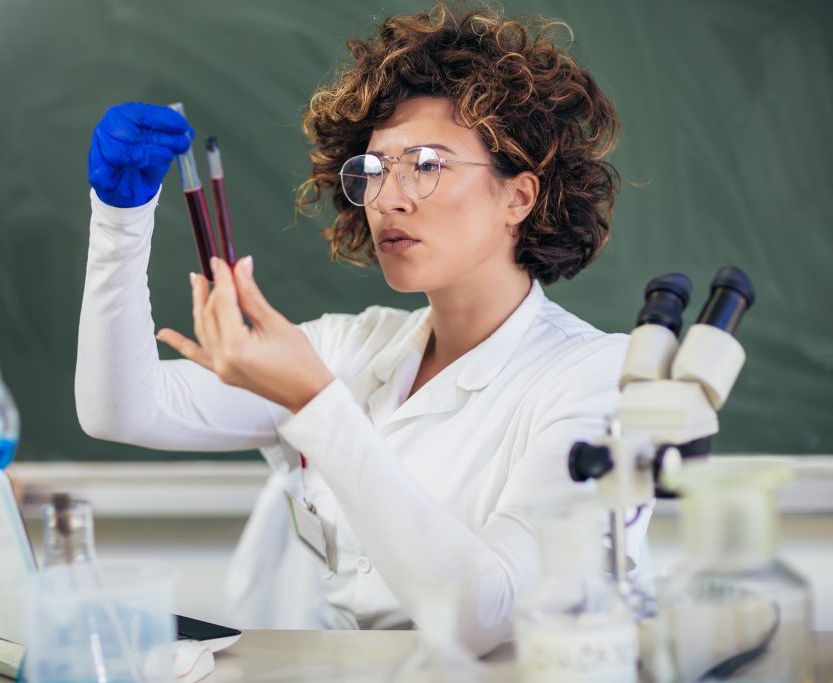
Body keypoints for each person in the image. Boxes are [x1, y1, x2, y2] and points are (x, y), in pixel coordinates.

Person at [76, 3, 649, 656]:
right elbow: (118, 407)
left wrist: (317, 406)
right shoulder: (356, 346)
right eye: (374, 171)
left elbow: (481, 616)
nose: (387, 199)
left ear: (519, 196)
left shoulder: (596, 378)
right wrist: (120, 223)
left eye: (426, 166)